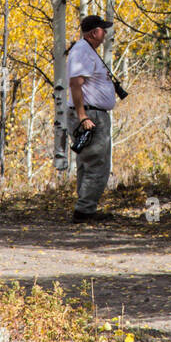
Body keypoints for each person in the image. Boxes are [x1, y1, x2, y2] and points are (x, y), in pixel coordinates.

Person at [67, 14, 122, 223]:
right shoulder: (82, 51)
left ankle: (85, 209)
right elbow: (75, 83)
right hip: (90, 115)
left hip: (92, 113)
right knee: (97, 164)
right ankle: (84, 211)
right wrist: (83, 116)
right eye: (102, 29)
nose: (105, 33)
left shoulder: (86, 51)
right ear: (93, 32)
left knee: (88, 163)